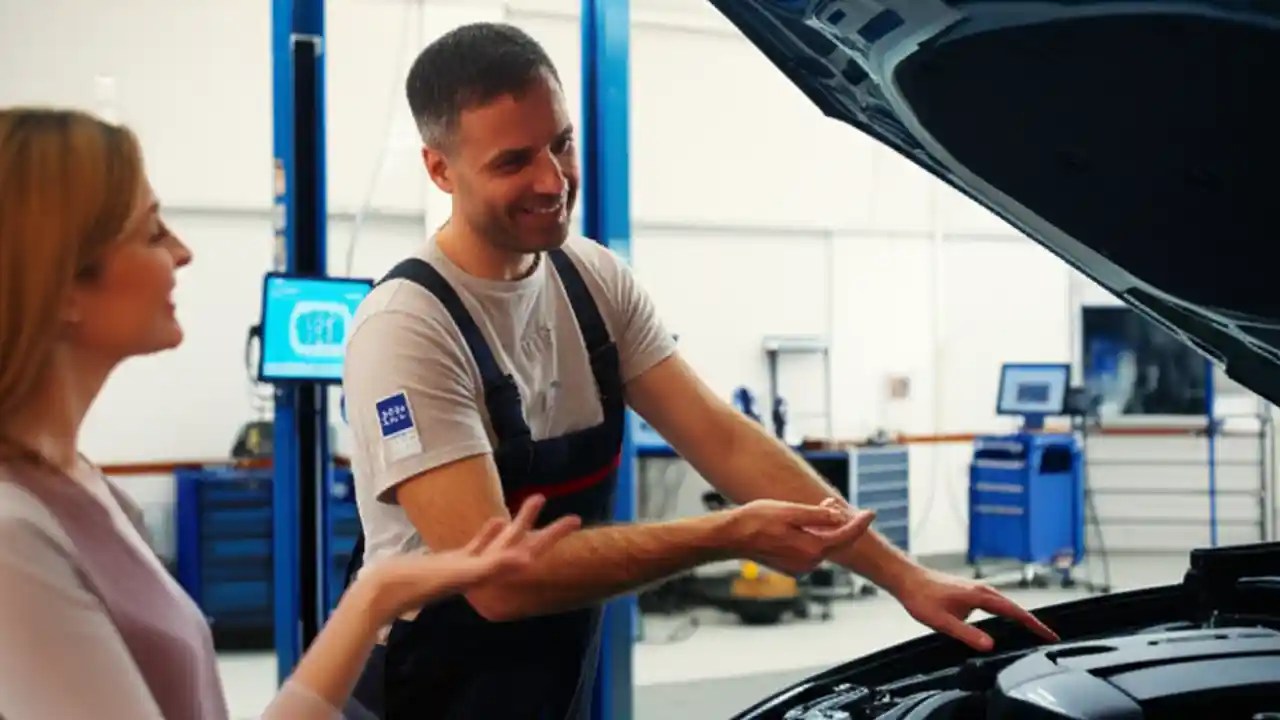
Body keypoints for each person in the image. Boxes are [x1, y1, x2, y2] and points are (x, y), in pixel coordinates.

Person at [340, 21, 1060, 720]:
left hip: (547, 675)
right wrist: (725, 535)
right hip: (421, 689)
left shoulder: (592, 280)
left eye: (561, 143)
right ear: (440, 169)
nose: (553, 179)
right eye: (513, 161)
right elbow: (498, 582)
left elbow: (723, 439)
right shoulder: (408, 327)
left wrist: (904, 576)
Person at [0, 107, 581, 720]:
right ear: (61, 281)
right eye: (150, 232)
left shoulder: (85, 490)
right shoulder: (15, 540)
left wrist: (378, 591)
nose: (183, 251)